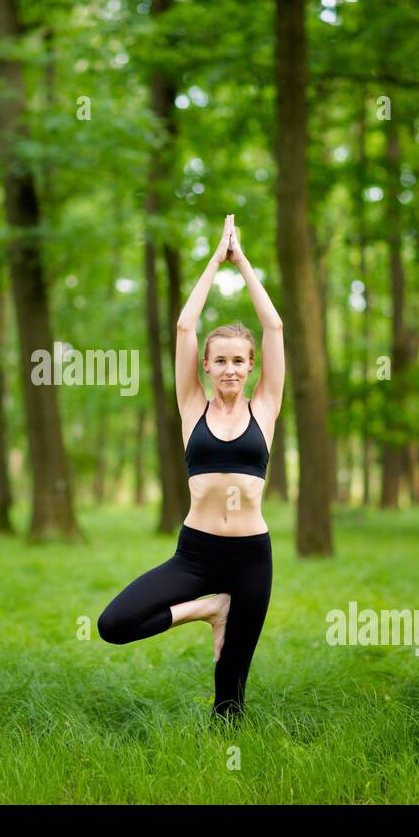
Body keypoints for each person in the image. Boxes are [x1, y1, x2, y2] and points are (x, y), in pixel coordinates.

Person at [97, 214, 285, 723]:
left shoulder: (264, 408)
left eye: (238, 361)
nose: (229, 369)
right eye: (219, 360)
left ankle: (228, 768)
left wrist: (242, 262)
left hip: (251, 558)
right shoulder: (191, 408)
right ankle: (208, 609)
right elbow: (184, 325)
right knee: (113, 624)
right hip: (196, 555)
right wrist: (213, 259)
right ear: (206, 366)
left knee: (230, 693)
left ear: (251, 368)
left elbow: (273, 326)